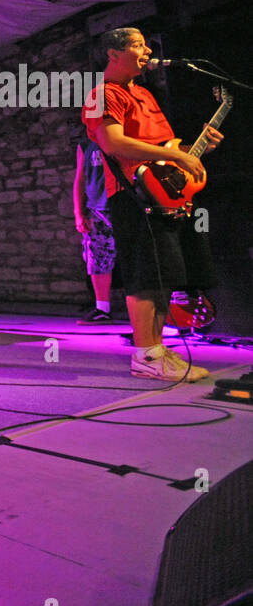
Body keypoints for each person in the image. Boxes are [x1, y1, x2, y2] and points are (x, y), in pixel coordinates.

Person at [82, 28, 221, 381]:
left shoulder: (143, 93)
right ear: (114, 53)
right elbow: (114, 144)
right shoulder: (102, 94)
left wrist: (193, 151)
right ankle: (144, 354)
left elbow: (163, 147)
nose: (147, 50)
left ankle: (156, 349)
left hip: (160, 193)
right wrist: (171, 155)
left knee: (164, 275)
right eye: (138, 45)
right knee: (145, 276)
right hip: (131, 194)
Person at [72, 136, 116, 323]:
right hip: (97, 209)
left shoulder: (118, 137)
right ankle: (102, 309)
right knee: (97, 258)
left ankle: (144, 308)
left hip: (120, 203)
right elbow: (80, 179)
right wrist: (79, 213)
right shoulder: (85, 144)